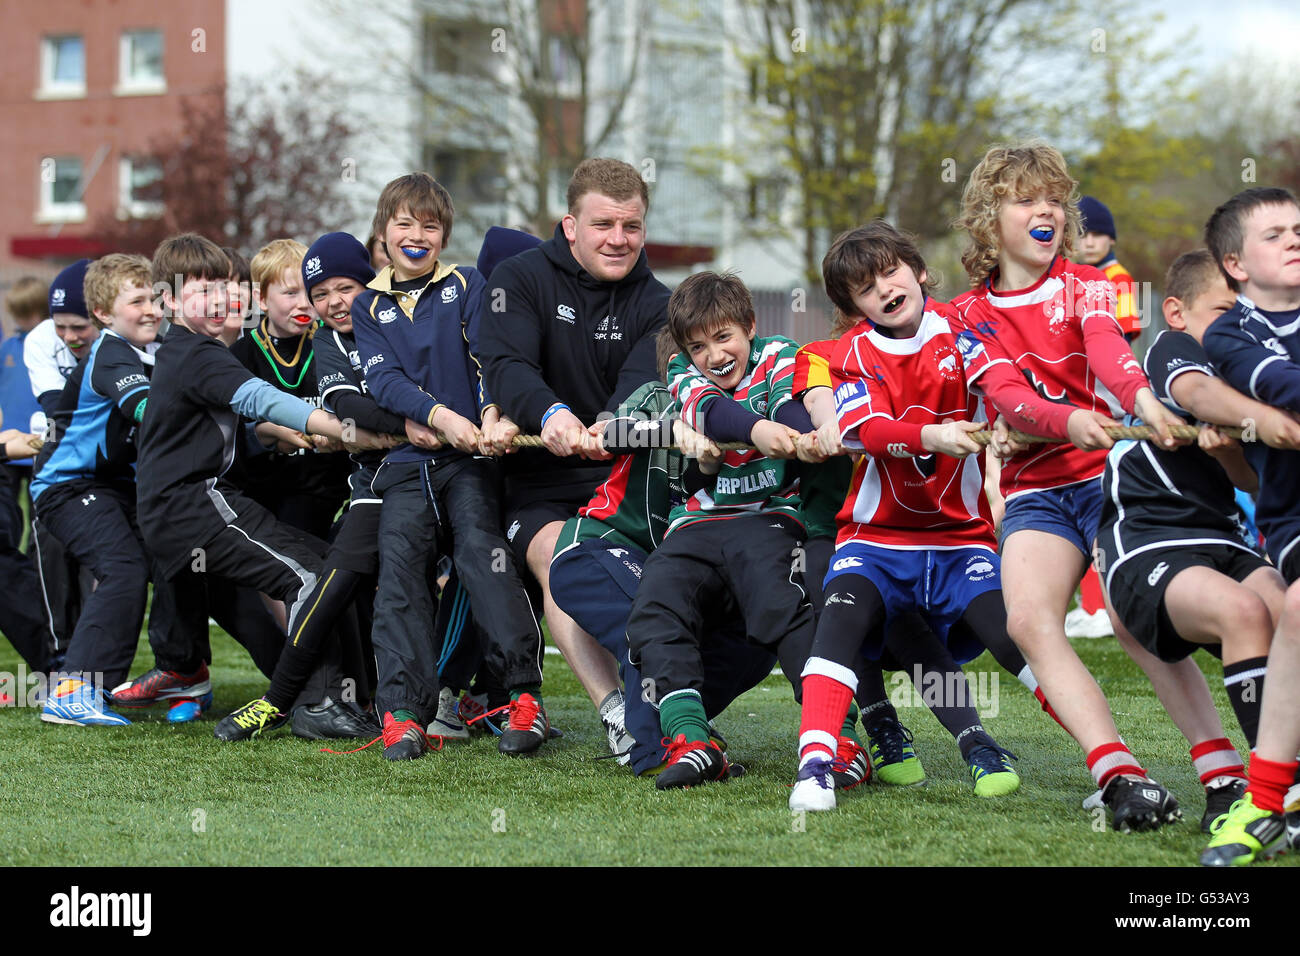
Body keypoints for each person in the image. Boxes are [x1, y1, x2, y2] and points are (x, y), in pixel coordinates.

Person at [950, 141, 1193, 831]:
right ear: (989, 218)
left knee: (1133, 619)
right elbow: (1004, 393)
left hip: (1107, 475)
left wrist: (1143, 405)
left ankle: (1223, 770)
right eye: (1027, 198)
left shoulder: (1086, 284)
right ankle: (1119, 774)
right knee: (1028, 620)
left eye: (1055, 198)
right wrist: (1064, 419)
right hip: (1037, 488)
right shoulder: (965, 315)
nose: (1046, 210)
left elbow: (1112, 355)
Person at [789, 222, 1022, 810]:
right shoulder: (839, 355)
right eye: (865, 288)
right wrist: (935, 435)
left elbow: (1008, 385)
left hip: (960, 542)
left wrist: (1023, 418)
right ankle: (816, 766)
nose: (885, 289)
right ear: (850, 307)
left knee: (1020, 635)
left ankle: (1111, 764)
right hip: (872, 540)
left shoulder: (971, 327)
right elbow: (860, 429)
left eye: (892, 271)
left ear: (918, 270)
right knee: (839, 624)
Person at [132, 233, 388, 740]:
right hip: (191, 506)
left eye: (225, 286)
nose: (220, 299)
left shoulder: (188, 350)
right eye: (202, 290)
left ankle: (350, 697)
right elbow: (263, 399)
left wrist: (277, 437)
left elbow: (231, 421)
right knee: (313, 578)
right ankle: (317, 704)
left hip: (181, 510)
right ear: (168, 301)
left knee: (327, 570)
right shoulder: (199, 354)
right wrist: (350, 431)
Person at [1097, 249, 1300, 831]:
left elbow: (1249, 482)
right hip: (1147, 539)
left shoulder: (1252, 367)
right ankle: (1274, 789)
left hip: (1223, 537)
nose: (1239, 327)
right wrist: (1268, 418)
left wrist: (1236, 445)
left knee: (1288, 608)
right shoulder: (1173, 349)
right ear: (1177, 312)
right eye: (1224, 311)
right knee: (1241, 612)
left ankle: (1271, 774)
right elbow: (1195, 393)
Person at [350, 172, 546, 759]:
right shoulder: (366, 303)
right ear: (383, 233)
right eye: (404, 224)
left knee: (483, 557)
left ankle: (521, 698)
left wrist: (487, 412)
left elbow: (485, 353)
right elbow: (384, 380)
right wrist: (440, 417)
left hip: (472, 463)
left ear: (444, 235)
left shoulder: (467, 282)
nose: (416, 235)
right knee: (400, 576)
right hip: (411, 464)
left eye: (429, 226)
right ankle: (405, 713)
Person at [480, 158, 670, 755]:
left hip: (622, 476)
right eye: (603, 224)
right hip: (536, 480)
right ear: (570, 225)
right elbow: (507, 365)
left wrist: (611, 426)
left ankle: (672, 703)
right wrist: (550, 414)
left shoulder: (661, 302)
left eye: (632, 226)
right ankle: (616, 712)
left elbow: (643, 384)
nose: (619, 239)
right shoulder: (519, 278)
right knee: (562, 558)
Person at [625, 271, 814, 789]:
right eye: (699, 345)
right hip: (699, 522)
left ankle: (832, 739)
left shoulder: (780, 353)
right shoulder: (683, 372)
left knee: (780, 598)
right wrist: (756, 432)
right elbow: (712, 412)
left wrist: (795, 430)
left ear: (750, 327)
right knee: (656, 598)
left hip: (770, 516)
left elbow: (791, 409)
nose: (713, 355)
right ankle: (692, 740)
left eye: (724, 337)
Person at [1199, 187, 1300, 864]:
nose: (1295, 239)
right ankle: (1265, 800)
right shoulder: (1231, 334)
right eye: (1275, 234)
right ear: (1235, 265)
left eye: (1299, 228)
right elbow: (1286, 390)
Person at [31, 254, 162, 725]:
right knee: (123, 567)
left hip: (111, 489)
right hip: (66, 488)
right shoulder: (111, 352)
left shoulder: (153, 348)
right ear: (105, 314)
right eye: (138, 301)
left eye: (154, 298)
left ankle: (172, 672)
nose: (152, 309)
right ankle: (73, 689)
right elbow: (148, 411)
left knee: (165, 559)